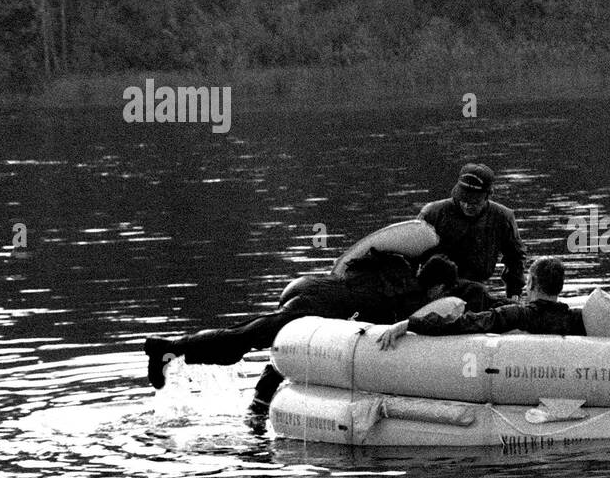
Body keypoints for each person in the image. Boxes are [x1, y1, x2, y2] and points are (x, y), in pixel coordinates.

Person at [143, 252, 475, 429]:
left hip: (311, 287)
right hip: (314, 307)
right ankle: (168, 348)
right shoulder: (406, 298)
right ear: (439, 289)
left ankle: (257, 405)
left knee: (261, 342)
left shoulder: (393, 269)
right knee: (242, 340)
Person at [376, 256, 584, 346]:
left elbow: (462, 323)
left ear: (531, 284)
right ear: (560, 286)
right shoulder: (575, 319)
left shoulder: (518, 315)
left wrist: (409, 323)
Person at [419, 163, 526, 301]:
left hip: (477, 288)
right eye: (462, 199)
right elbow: (414, 255)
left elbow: (515, 258)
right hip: (437, 289)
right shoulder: (433, 213)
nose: (467, 205)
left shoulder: (502, 217)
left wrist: (514, 293)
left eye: (475, 201)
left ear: (488, 195)